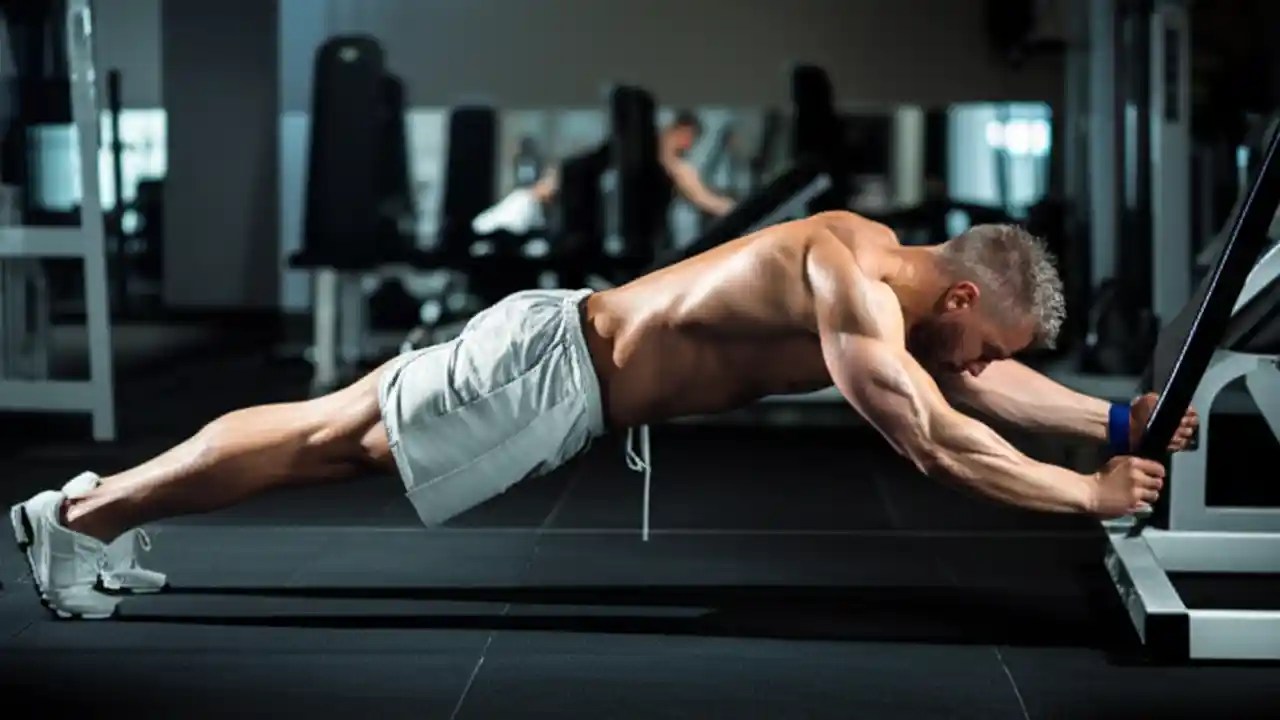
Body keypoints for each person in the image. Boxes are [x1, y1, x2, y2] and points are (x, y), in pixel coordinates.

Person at [10, 211, 1199, 619]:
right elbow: (931, 435)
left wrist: (1106, 424)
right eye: (981, 337)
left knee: (326, 434)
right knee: (323, 446)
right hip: (551, 373)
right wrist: (1083, 497)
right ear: (956, 296)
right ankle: (85, 514)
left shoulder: (885, 272)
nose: (979, 363)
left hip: (554, 354)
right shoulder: (842, 282)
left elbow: (973, 386)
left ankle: (88, 520)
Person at [471, 110, 735, 235]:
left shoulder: (671, 165)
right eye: (689, 138)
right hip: (544, 211)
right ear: (679, 131)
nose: (689, 145)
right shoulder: (647, 154)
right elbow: (703, 199)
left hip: (610, 232)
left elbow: (702, 199)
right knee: (493, 222)